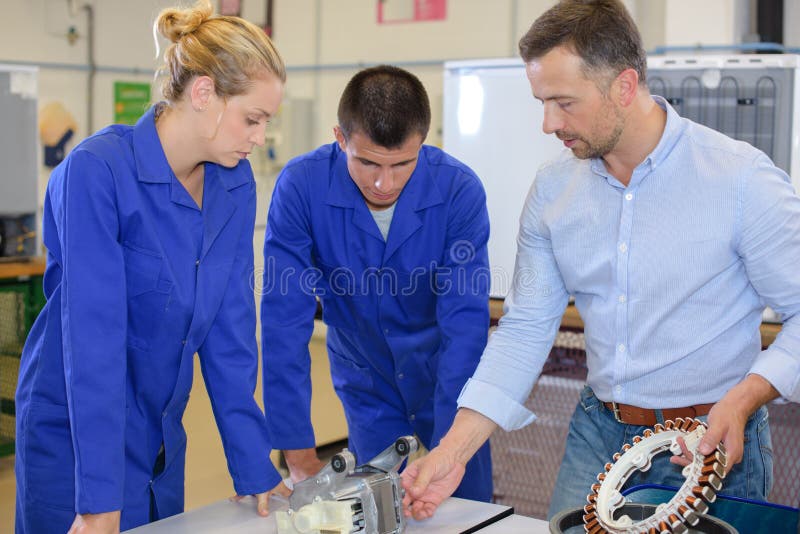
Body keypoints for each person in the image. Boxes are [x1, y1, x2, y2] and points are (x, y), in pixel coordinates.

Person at [402, 0, 800, 521]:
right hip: (599, 433)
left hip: (710, 439)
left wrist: (746, 397)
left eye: (564, 103)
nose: (548, 123)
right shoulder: (553, 190)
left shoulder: (741, 180)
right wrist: (452, 452)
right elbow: (525, 329)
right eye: (542, 102)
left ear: (624, 86)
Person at [14, 2, 290, 532]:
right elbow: (93, 340)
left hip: (160, 434)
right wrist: (98, 500)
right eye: (252, 119)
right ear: (204, 93)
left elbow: (230, 334)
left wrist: (254, 463)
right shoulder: (97, 172)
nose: (260, 138)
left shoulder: (233, 186)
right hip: (77, 439)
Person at [260, 65, 493, 502]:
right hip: (365, 377)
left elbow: (465, 324)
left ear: (422, 141)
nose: (384, 183)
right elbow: (283, 322)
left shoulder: (458, 190)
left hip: (447, 376)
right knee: (378, 507)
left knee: (462, 506)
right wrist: (297, 450)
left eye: (402, 164)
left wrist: (450, 449)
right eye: (367, 162)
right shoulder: (302, 188)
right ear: (340, 138)